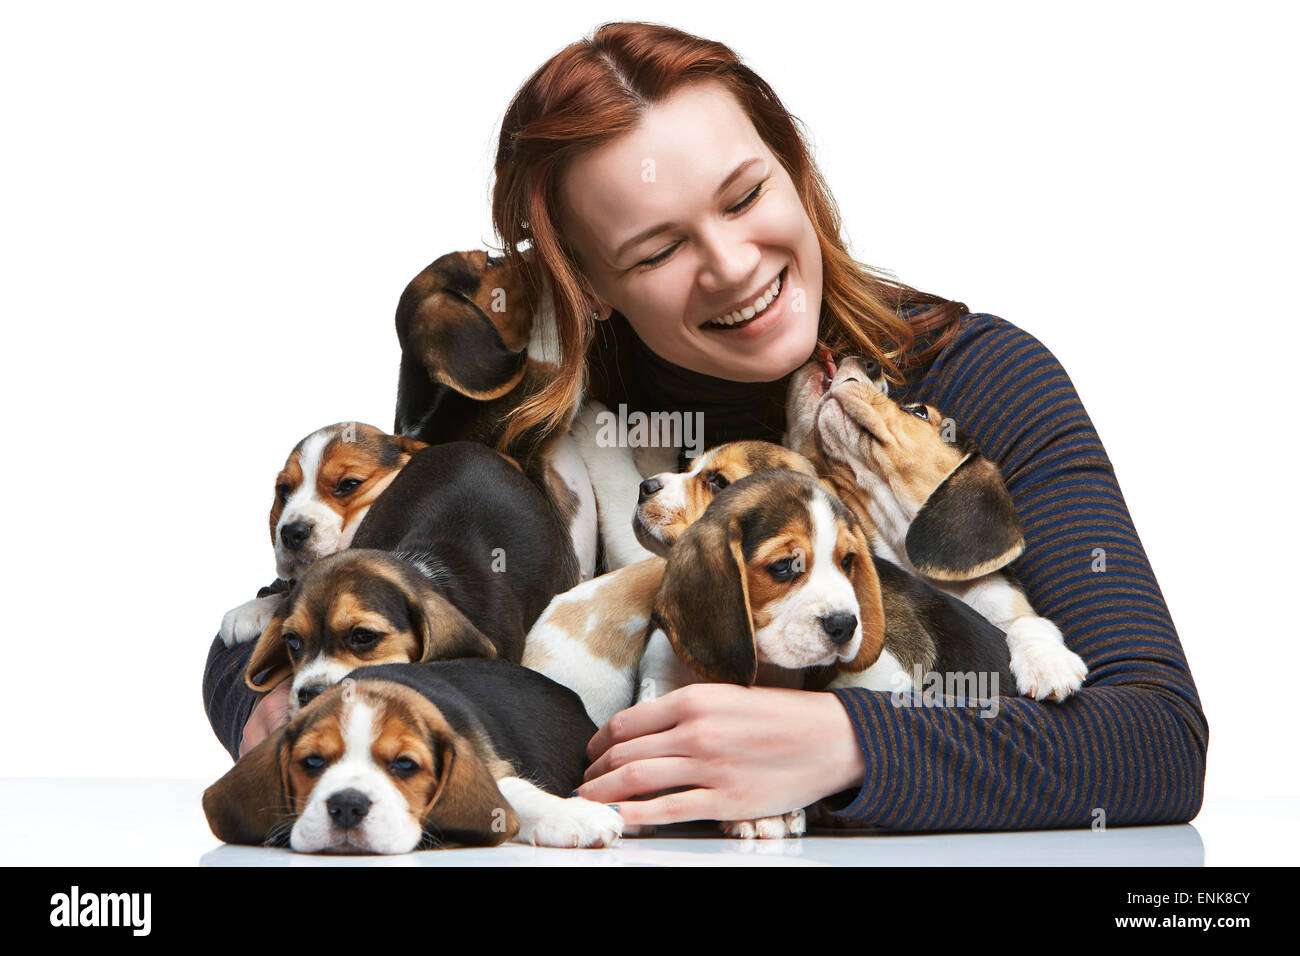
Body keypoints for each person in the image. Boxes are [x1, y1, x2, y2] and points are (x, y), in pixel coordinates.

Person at [203, 21, 1207, 832]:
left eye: (746, 194)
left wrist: (846, 741)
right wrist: (261, 705)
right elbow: (305, 609)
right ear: (588, 285)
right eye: (656, 250)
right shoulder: (541, 421)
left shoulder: (968, 381)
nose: (731, 265)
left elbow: (1155, 737)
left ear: (794, 167)